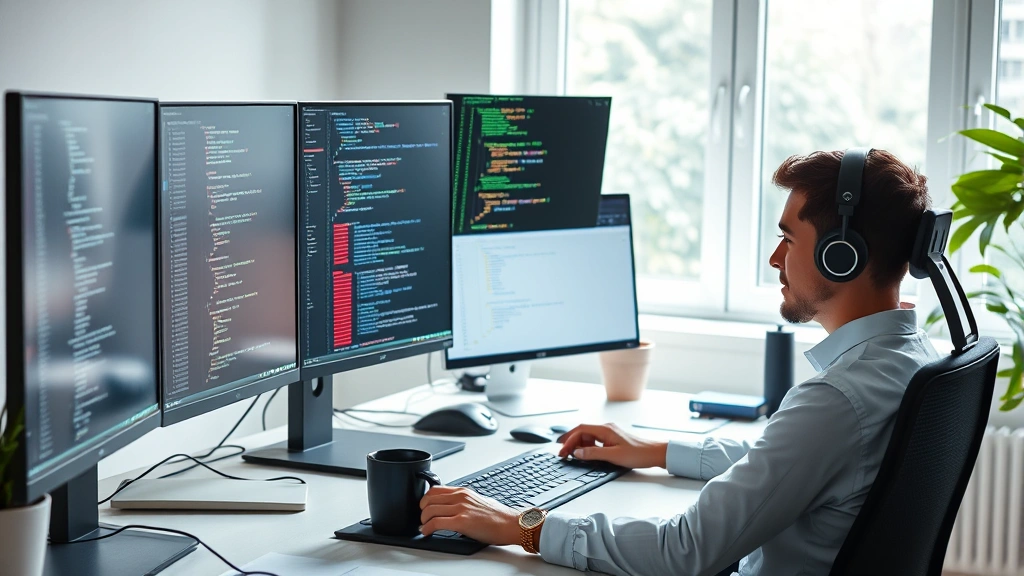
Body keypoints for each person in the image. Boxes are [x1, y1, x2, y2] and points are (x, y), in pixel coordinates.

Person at [420, 149, 940, 575]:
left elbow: (684, 551)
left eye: (787, 238)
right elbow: (786, 463)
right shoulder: (911, 358)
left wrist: (521, 526)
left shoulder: (837, 401)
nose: (775, 259)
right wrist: (656, 451)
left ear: (841, 255)